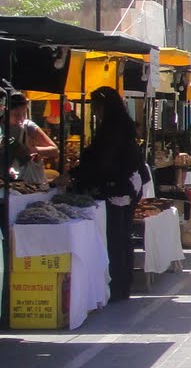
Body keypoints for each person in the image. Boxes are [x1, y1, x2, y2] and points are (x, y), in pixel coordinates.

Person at [68, 88, 146, 301]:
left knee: (115, 237)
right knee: (122, 237)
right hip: (127, 187)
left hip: (117, 188)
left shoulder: (111, 131)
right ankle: (123, 284)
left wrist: (76, 174)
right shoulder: (122, 126)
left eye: (95, 107)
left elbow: (103, 163)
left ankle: (118, 285)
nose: (94, 112)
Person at [6, 92, 58, 183]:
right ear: (5, 111)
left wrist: (32, 150)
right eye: (16, 115)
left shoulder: (28, 126)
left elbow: (54, 150)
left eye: (23, 114)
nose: (20, 118)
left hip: (23, 181)